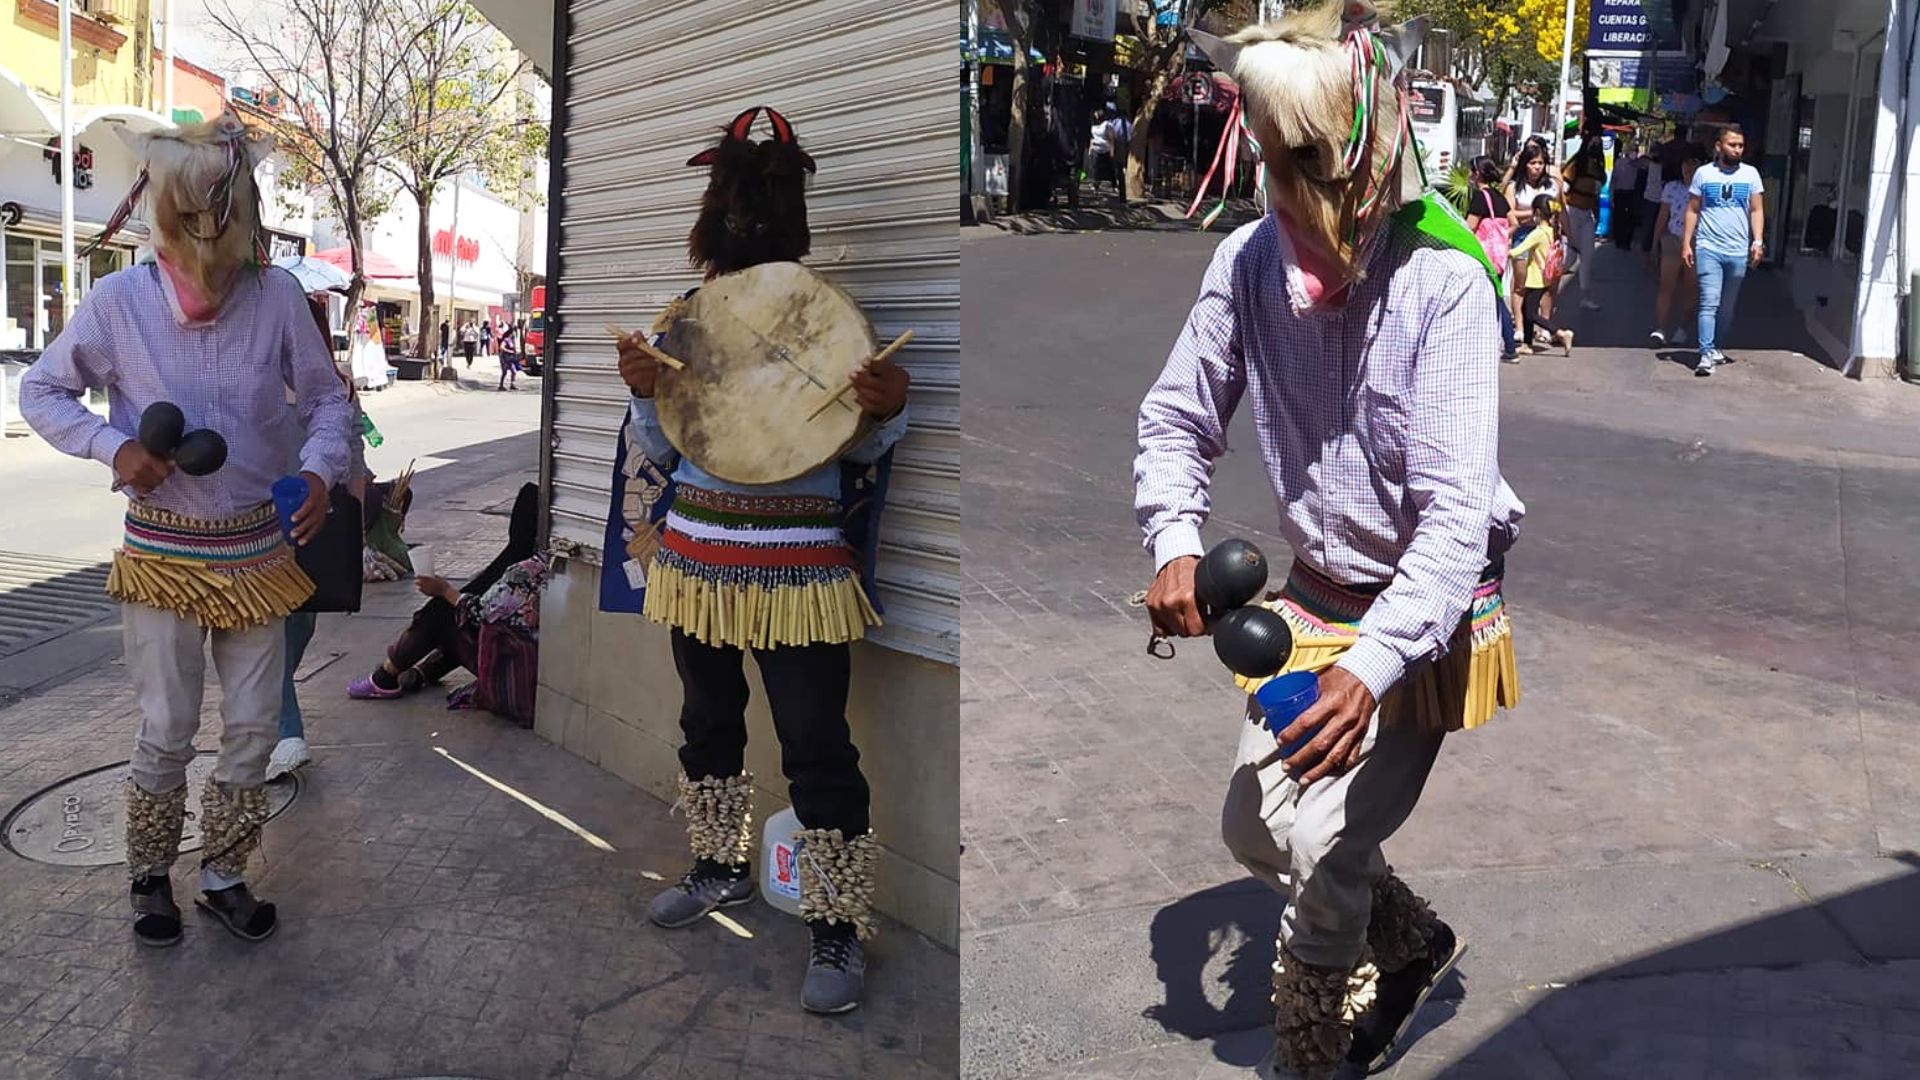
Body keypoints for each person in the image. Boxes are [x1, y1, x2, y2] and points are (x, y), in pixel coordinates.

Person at [1162, 7, 1525, 1077]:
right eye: (1269, 161)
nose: (1280, 192)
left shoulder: (1446, 286)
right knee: (1254, 829)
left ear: (1364, 156)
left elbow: (1454, 519)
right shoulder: (1243, 264)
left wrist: (1371, 671)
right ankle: (1411, 941)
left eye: (1305, 163)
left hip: (1421, 614)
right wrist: (1174, 539)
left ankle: (1310, 1053)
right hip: (1313, 599)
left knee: (1325, 846)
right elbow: (1177, 417)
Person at [17, 113, 352, 947]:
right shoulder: (118, 302)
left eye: (218, 210)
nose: (206, 232)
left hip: (257, 552)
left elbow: (327, 401)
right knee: (167, 727)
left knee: (253, 727)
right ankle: (148, 875)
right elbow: (42, 391)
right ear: (164, 211)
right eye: (190, 212)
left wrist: (320, 472)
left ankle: (225, 874)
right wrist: (114, 447)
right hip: (162, 556)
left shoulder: (276, 298)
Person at [611, 107, 910, 1016]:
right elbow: (661, 453)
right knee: (707, 724)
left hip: (799, 577)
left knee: (817, 744)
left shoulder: (825, 318)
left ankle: (837, 919)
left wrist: (887, 408)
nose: (746, 219)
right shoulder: (687, 320)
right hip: (696, 565)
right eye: (737, 201)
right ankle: (717, 865)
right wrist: (644, 395)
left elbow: (859, 452)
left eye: (762, 201)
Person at [268, 292, 375, 783]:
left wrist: (353, 534)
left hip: (314, 528)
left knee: (297, 630)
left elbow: (355, 459)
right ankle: (285, 733)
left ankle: (266, 715)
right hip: (262, 530)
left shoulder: (338, 388)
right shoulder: (254, 381)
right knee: (270, 638)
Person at [1682, 125, 1765, 376]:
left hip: (1737, 250)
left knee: (1727, 307)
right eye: (1732, 145)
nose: (1737, 150)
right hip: (1708, 247)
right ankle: (1705, 353)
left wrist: (1757, 241)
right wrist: (1686, 243)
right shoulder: (1703, 174)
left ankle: (1716, 346)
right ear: (1719, 147)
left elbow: (1756, 209)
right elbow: (1692, 209)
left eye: (1740, 145)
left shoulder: (1750, 174)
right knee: (1709, 302)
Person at [1464, 156, 1518, 362]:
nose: (1469, 175)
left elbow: (1469, 227)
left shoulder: (1480, 197)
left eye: (1471, 171)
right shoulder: (1499, 196)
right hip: (1499, 257)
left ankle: (1509, 347)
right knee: (1495, 297)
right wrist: (1501, 238)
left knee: (1494, 300)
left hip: (1483, 257)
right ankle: (1506, 345)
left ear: (1477, 173)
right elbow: (1514, 222)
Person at [1647, 150, 1702, 348]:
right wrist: (1655, 242)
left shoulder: (1705, 189)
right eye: (1686, 164)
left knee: (1691, 286)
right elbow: (1663, 214)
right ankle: (1660, 328)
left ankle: (1683, 326)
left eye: (1693, 163)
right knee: (1666, 285)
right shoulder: (1672, 187)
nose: (1689, 168)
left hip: (1697, 241)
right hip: (1673, 238)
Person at [1510, 195, 1576, 356]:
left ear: (1537, 212)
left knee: (1531, 313)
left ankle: (1561, 333)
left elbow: (1518, 250)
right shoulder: (1552, 231)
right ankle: (1527, 344)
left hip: (1535, 278)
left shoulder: (1538, 233)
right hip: (1544, 277)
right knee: (1527, 310)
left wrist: (1501, 250)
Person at [1558, 126, 1605, 311]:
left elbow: (1596, 196)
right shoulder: (1576, 165)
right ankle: (1547, 288)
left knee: (1587, 256)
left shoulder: (1598, 168)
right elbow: (1563, 191)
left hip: (1587, 214)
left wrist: (1596, 216)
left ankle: (1585, 296)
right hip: (1573, 211)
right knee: (1569, 257)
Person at [1608, 142, 1642, 246]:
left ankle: (1624, 240)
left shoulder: (1638, 164)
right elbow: (1614, 179)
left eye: (1635, 151)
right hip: (1622, 193)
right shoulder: (1621, 163)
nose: (1634, 153)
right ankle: (1621, 240)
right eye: (1633, 151)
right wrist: (1611, 194)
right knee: (1621, 217)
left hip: (1629, 193)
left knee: (1627, 218)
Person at [1108, 103, 1133, 195]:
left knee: (1115, 165)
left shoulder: (1114, 122)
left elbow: (1111, 136)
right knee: (1122, 165)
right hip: (1124, 145)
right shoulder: (1128, 123)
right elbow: (1130, 137)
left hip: (1115, 145)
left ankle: (1116, 184)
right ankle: (1121, 186)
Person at [1088, 107, 1115, 193]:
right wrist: (1090, 149)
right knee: (1095, 168)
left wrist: (1112, 150)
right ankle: (1095, 185)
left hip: (1105, 149)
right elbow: (1092, 138)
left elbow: (1111, 138)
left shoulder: (1107, 125)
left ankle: (1114, 185)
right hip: (1096, 148)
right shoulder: (1093, 125)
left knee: (1110, 168)